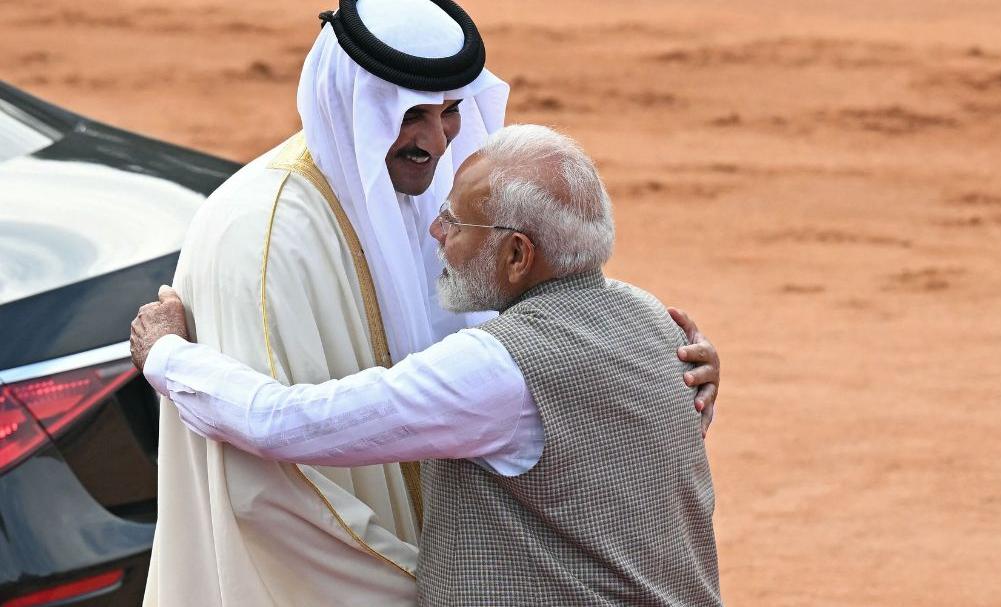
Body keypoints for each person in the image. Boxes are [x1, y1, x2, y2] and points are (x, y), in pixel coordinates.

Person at [142, 1, 721, 605]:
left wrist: (165, 355)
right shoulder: (654, 327)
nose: (435, 229)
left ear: (519, 256)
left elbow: (283, 424)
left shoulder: (497, 370)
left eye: (448, 114)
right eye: (409, 115)